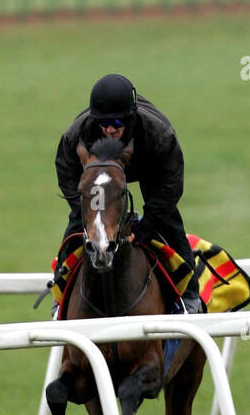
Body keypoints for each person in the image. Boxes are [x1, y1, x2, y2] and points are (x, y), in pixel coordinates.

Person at [54, 73, 202, 313]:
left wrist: (147, 227)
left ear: (130, 118)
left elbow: (171, 185)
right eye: (104, 123)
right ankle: (60, 295)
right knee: (77, 227)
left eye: (118, 123)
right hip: (97, 172)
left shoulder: (159, 134)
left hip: (149, 166)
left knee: (170, 224)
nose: (111, 129)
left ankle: (190, 297)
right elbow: (66, 172)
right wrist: (89, 212)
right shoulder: (77, 134)